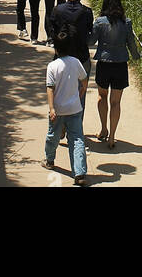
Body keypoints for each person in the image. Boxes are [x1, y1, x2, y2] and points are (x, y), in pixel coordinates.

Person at [89, 0, 140, 148]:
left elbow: (91, 41)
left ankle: (103, 129)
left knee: (102, 97)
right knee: (116, 102)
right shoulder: (127, 22)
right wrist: (136, 57)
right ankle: (112, 136)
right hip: (120, 64)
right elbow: (131, 43)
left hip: (104, 63)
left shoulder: (99, 22)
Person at [43, 24, 88, 185]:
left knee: (53, 136)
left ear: (56, 49)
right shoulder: (76, 62)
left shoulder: (52, 66)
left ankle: (49, 160)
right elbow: (84, 80)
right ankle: (80, 172)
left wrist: (51, 108)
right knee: (77, 140)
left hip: (59, 110)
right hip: (75, 108)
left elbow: (50, 88)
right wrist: (81, 93)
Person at [48, 0, 94, 81]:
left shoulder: (57, 10)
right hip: (82, 57)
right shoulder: (87, 12)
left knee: (60, 92)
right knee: (80, 94)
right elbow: (89, 32)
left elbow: (52, 32)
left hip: (61, 58)